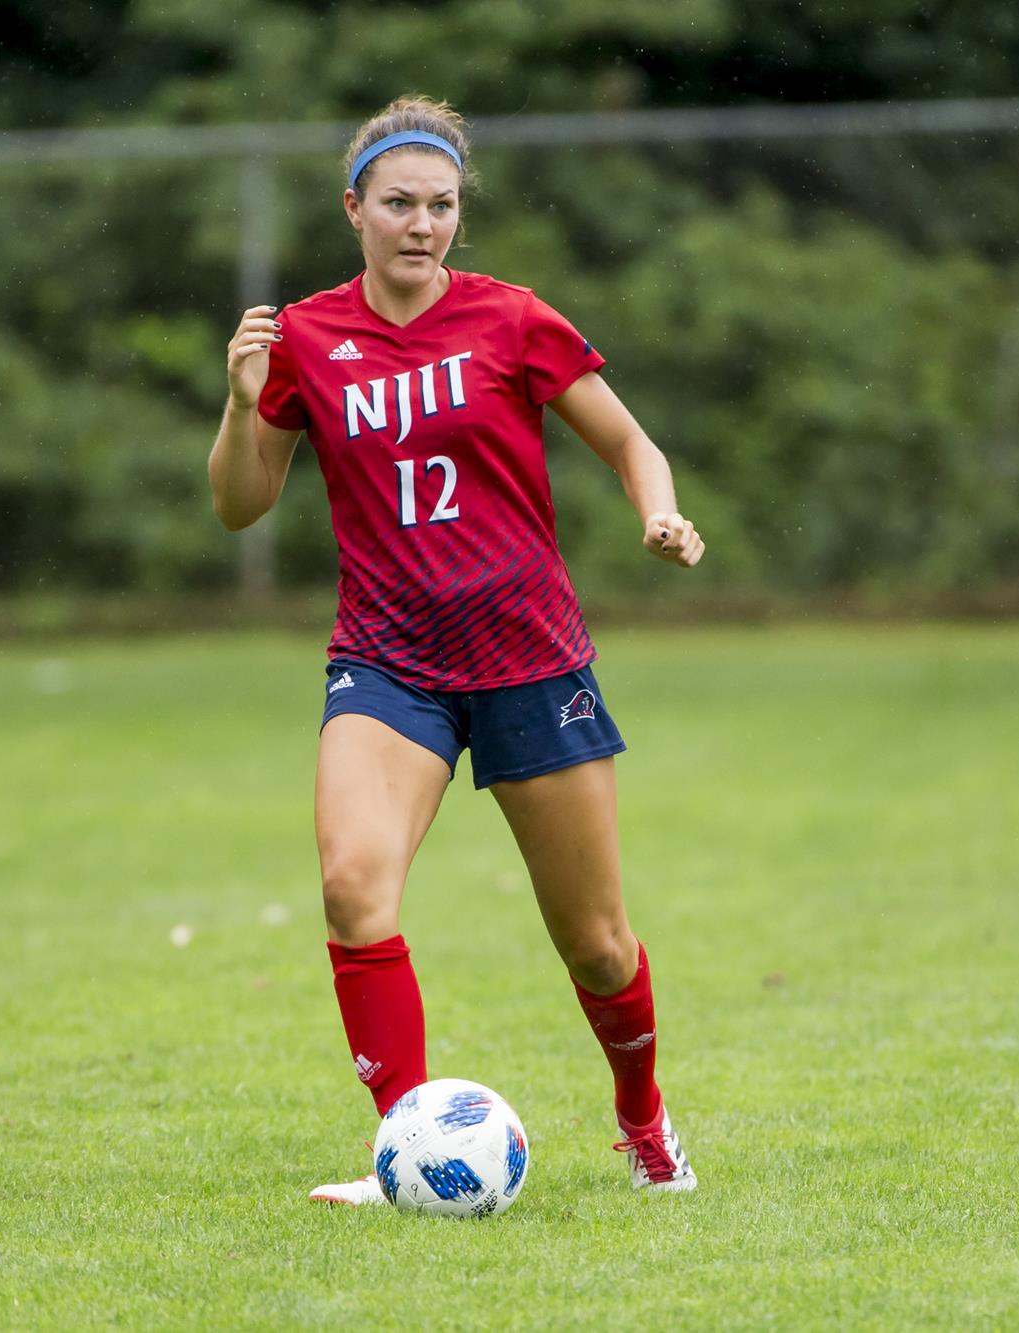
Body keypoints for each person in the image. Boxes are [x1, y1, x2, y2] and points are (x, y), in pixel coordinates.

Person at [206, 96, 705, 1204]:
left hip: (529, 655)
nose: (420, 223)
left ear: (456, 216)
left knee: (597, 946)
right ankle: (405, 1154)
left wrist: (657, 513)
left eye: (439, 205)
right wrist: (243, 407)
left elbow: (630, 442)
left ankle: (642, 1119)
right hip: (389, 661)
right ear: (354, 209)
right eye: (397, 203)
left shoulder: (510, 319)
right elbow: (240, 506)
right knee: (352, 887)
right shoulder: (303, 339)